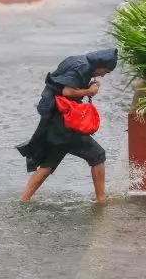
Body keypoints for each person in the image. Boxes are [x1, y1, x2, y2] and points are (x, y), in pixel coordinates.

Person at [16, 48, 118, 203]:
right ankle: (101, 199)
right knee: (97, 155)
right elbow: (67, 91)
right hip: (64, 121)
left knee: (48, 164)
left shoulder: (77, 60)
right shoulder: (81, 67)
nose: (103, 75)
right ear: (100, 64)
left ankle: (24, 199)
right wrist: (89, 91)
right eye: (105, 71)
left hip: (55, 119)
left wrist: (85, 88)